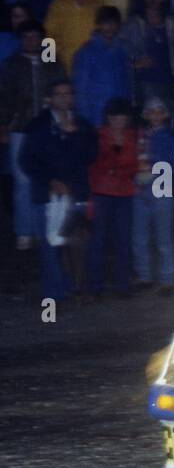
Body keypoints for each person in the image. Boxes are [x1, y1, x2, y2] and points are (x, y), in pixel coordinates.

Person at [19, 79, 98, 303]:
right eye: (59, 94)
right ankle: (55, 295)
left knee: (78, 244)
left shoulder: (82, 124)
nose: (65, 98)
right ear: (50, 98)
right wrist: (49, 181)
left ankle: (78, 288)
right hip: (47, 195)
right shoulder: (37, 125)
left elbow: (91, 155)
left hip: (76, 193)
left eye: (69, 94)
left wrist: (74, 135)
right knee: (50, 246)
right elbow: (26, 160)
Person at [0, 20, 67, 252]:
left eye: (35, 36)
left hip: (48, 128)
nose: (31, 40)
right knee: (22, 182)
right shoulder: (12, 64)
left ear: (42, 38)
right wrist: (3, 127)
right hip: (20, 127)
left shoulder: (51, 61)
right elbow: (4, 97)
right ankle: (24, 231)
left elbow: (63, 91)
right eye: (26, 36)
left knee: (48, 179)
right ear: (21, 39)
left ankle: (44, 228)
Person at [87, 97, 139, 297]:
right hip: (102, 193)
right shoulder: (98, 135)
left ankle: (123, 285)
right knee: (98, 240)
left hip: (124, 193)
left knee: (123, 240)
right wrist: (115, 168)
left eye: (122, 117)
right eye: (114, 117)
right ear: (108, 118)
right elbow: (94, 163)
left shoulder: (133, 136)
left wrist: (117, 171)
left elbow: (135, 164)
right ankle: (95, 287)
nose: (118, 121)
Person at [132, 96, 174, 294]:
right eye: (151, 111)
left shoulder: (169, 138)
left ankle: (167, 279)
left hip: (161, 190)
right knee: (139, 237)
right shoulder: (138, 136)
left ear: (165, 114)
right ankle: (144, 276)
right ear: (145, 114)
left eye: (159, 111)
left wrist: (155, 170)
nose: (155, 115)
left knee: (163, 237)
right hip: (139, 191)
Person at [123, 0, 174, 107]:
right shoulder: (133, 24)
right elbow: (119, 55)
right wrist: (135, 64)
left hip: (170, 83)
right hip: (144, 84)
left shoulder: (171, 23)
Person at [72, 5, 132, 126]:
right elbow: (80, 89)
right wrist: (85, 120)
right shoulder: (86, 52)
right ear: (98, 25)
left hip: (120, 113)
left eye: (113, 23)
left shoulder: (122, 51)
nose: (109, 27)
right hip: (96, 113)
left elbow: (127, 84)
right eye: (105, 23)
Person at [44, 0, 104, 69]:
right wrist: (49, 63)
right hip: (67, 63)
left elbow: (106, 30)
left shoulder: (97, 2)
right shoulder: (58, 5)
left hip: (95, 63)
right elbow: (48, 35)